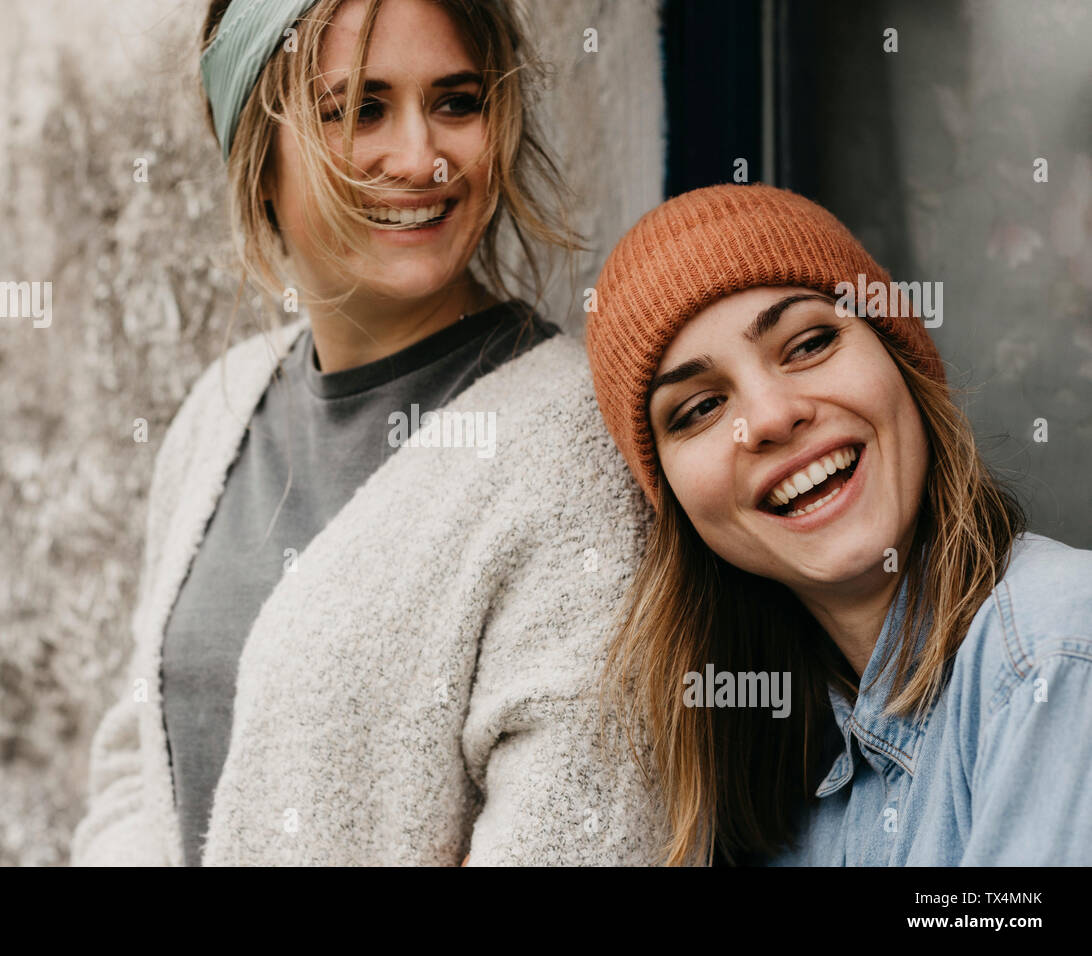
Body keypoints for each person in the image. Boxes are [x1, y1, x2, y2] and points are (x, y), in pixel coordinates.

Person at [71, 0, 662, 866]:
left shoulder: (573, 446)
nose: (422, 158)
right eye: (357, 110)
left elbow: (580, 830)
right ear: (256, 154)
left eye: (457, 102)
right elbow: (140, 762)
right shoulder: (223, 406)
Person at [585, 183, 1092, 866]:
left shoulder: (1053, 647)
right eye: (699, 408)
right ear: (672, 499)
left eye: (809, 343)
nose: (768, 417)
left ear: (901, 360)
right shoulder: (770, 775)